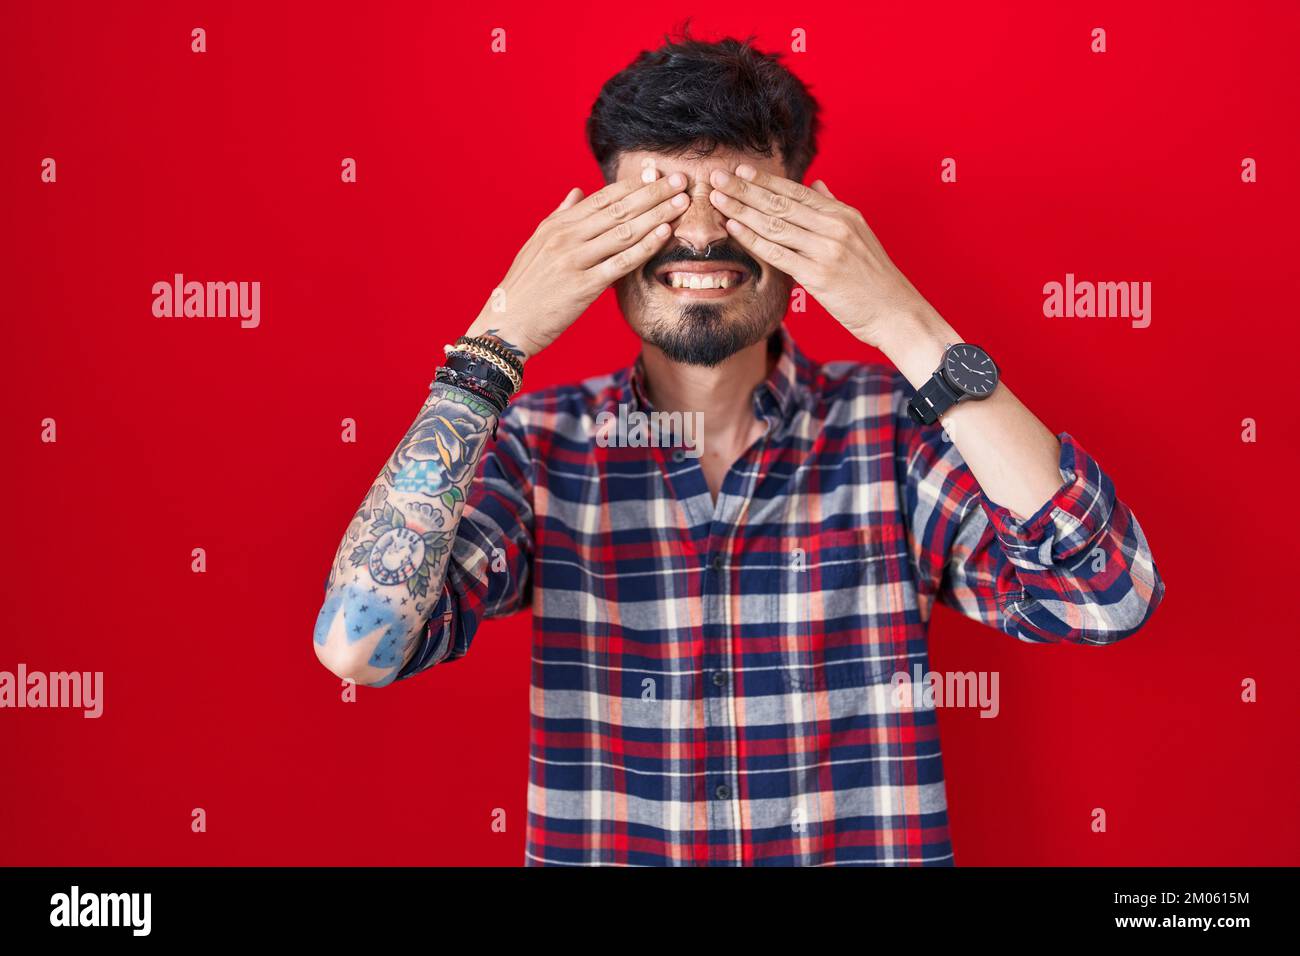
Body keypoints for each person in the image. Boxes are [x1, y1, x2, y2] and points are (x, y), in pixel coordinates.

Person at [313, 33, 1165, 865]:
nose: (695, 238)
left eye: (742, 204)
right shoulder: (543, 449)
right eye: (652, 204)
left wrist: (900, 319)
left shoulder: (896, 436)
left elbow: (1103, 599)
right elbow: (361, 645)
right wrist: (495, 341)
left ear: (812, 223)